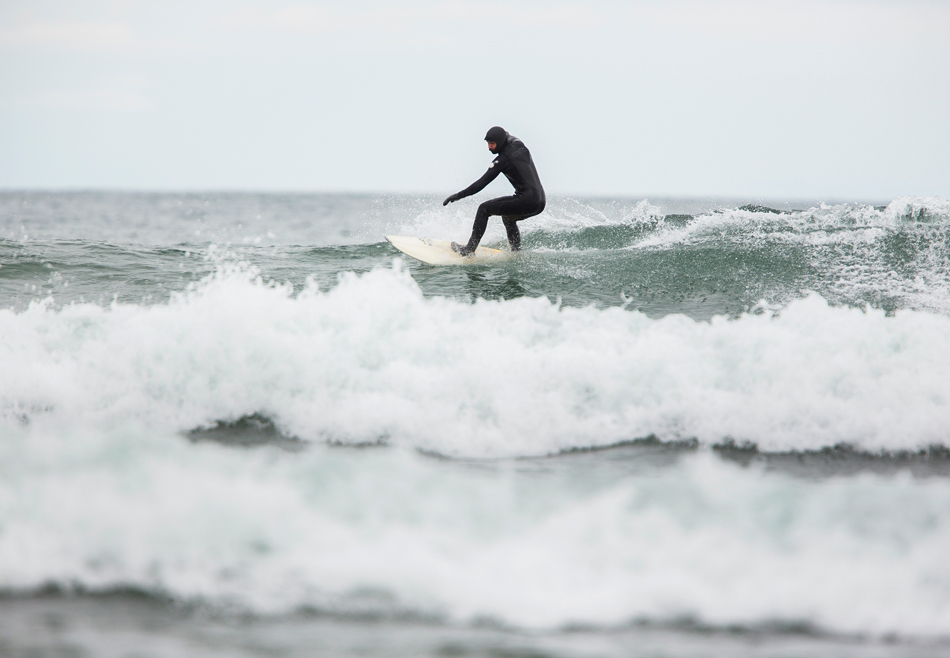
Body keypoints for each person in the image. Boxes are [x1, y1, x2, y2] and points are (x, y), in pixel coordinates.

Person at [443, 126, 545, 255]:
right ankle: (516, 252)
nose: (489, 147)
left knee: (484, 209)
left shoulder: (503, 160)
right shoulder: (518, 143)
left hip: (527, 200)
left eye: (492, 143)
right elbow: (506, 135)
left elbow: (481, 183)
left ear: (500, 142)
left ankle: (469, 250)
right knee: (508, 218)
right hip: (540, 201)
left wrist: (458, 195)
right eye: (488, 143)